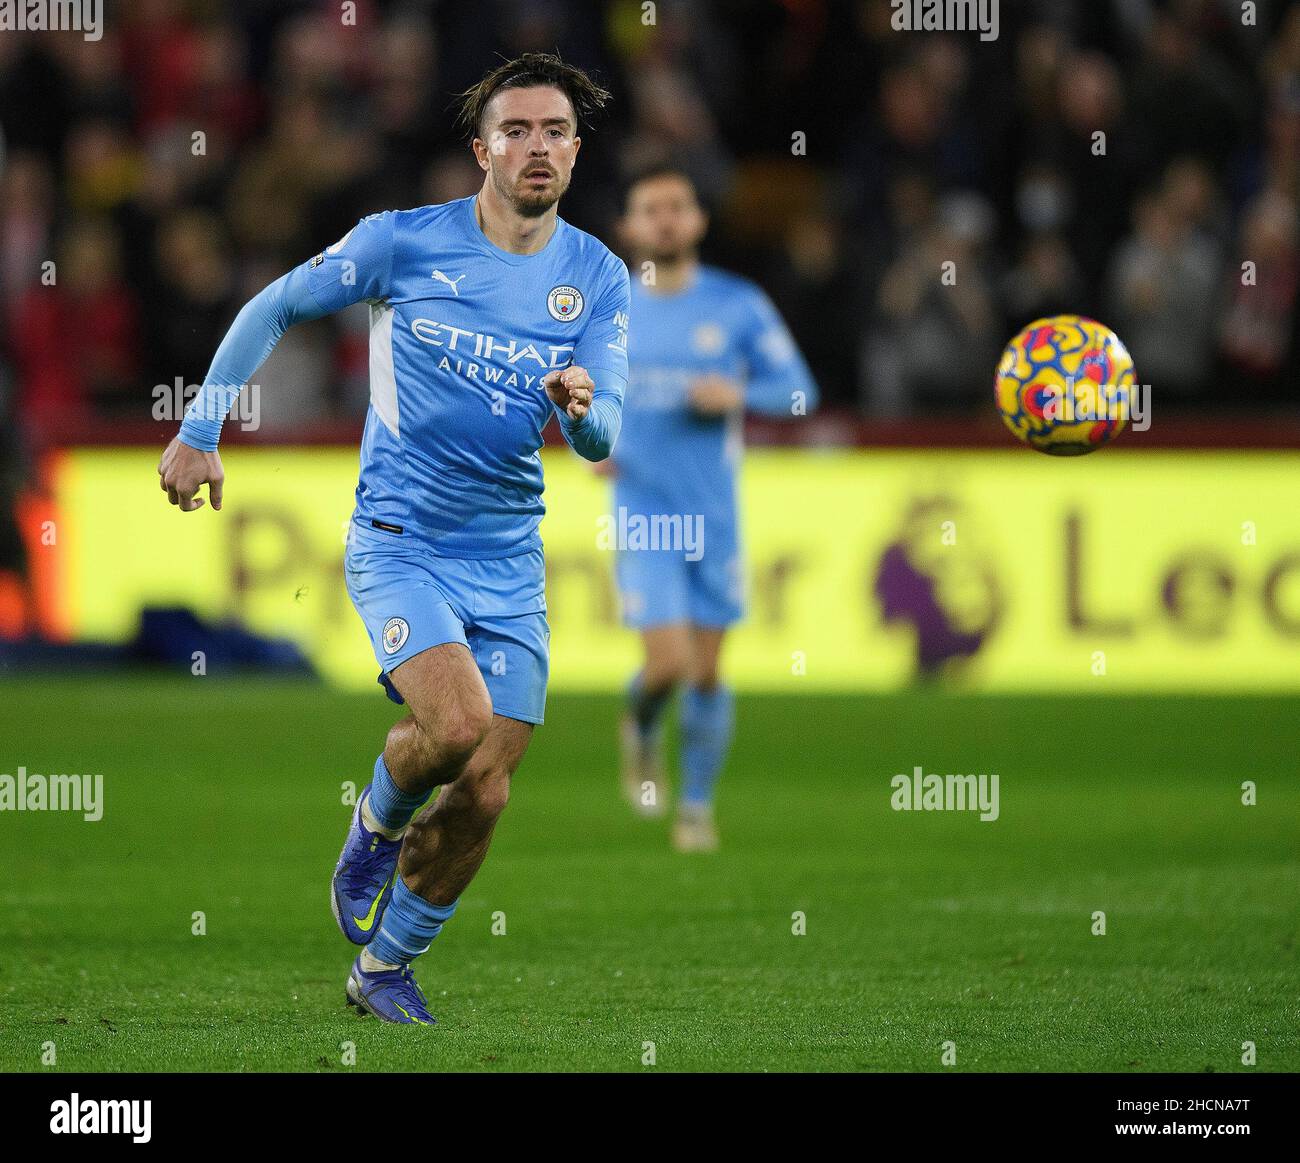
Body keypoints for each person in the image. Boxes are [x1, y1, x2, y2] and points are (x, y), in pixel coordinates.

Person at [156, 53, 630, 1025]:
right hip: (400, 538)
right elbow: (276, 303)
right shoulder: (403, 244)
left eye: (554, 132)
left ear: (576, 154)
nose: (535, 147)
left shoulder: (598, 276)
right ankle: (373, 823)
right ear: (481, 149)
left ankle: (382, 969)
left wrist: (579, 411)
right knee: (454, 728)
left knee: (487, 793)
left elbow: (603, 435)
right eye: (516, 130)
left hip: (508, 557)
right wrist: (200, 430)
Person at [610, 166, 816, 852]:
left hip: (714, 514)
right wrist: (586, 442)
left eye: (678, 206)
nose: (666, 219)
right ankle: (639, 727)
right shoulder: (607, 307)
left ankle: (695, 807)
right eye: (651, 209)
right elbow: (566, 391)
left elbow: (799, 393)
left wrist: (739, 394)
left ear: (697, 221)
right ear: (630, 228)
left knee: (706, 669)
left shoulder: (739, 304)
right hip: (643, 508)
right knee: (667, 663)